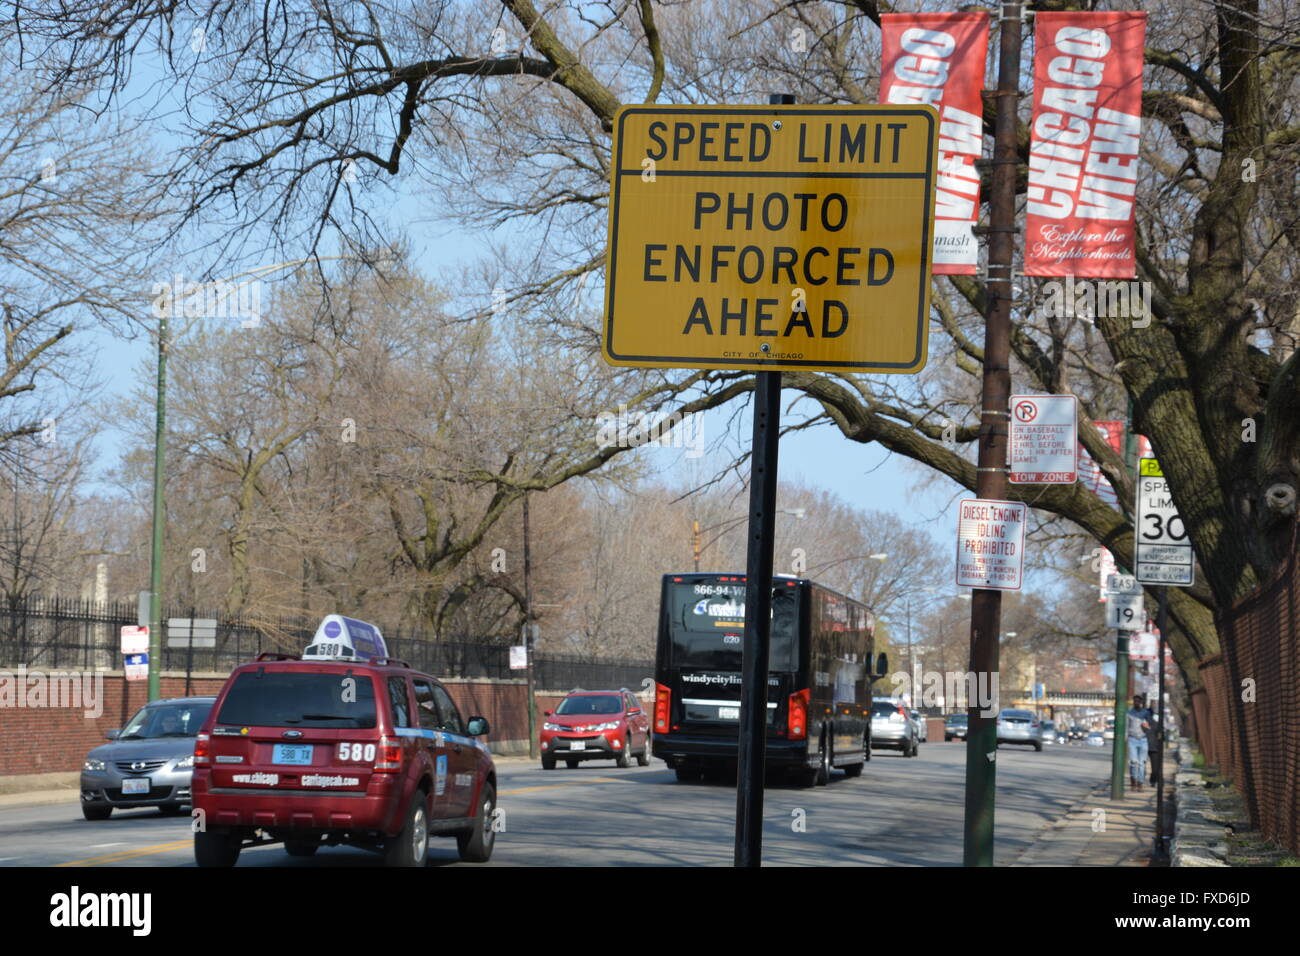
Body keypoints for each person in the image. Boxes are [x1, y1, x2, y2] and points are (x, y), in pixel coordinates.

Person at [1126, 694, 1151, 791]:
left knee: (1142, 763)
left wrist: (1147, 726)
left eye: (1138, 701)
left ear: (1141, 703)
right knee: (1133, 762)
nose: (1136, 703)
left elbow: (1151, 725)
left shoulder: (1146, 713)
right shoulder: (1129, 713)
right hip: (1132, 739)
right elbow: (1126, 727)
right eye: (1135, 701)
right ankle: (1133, 780)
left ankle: (1140, 783)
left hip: (1143, 739)